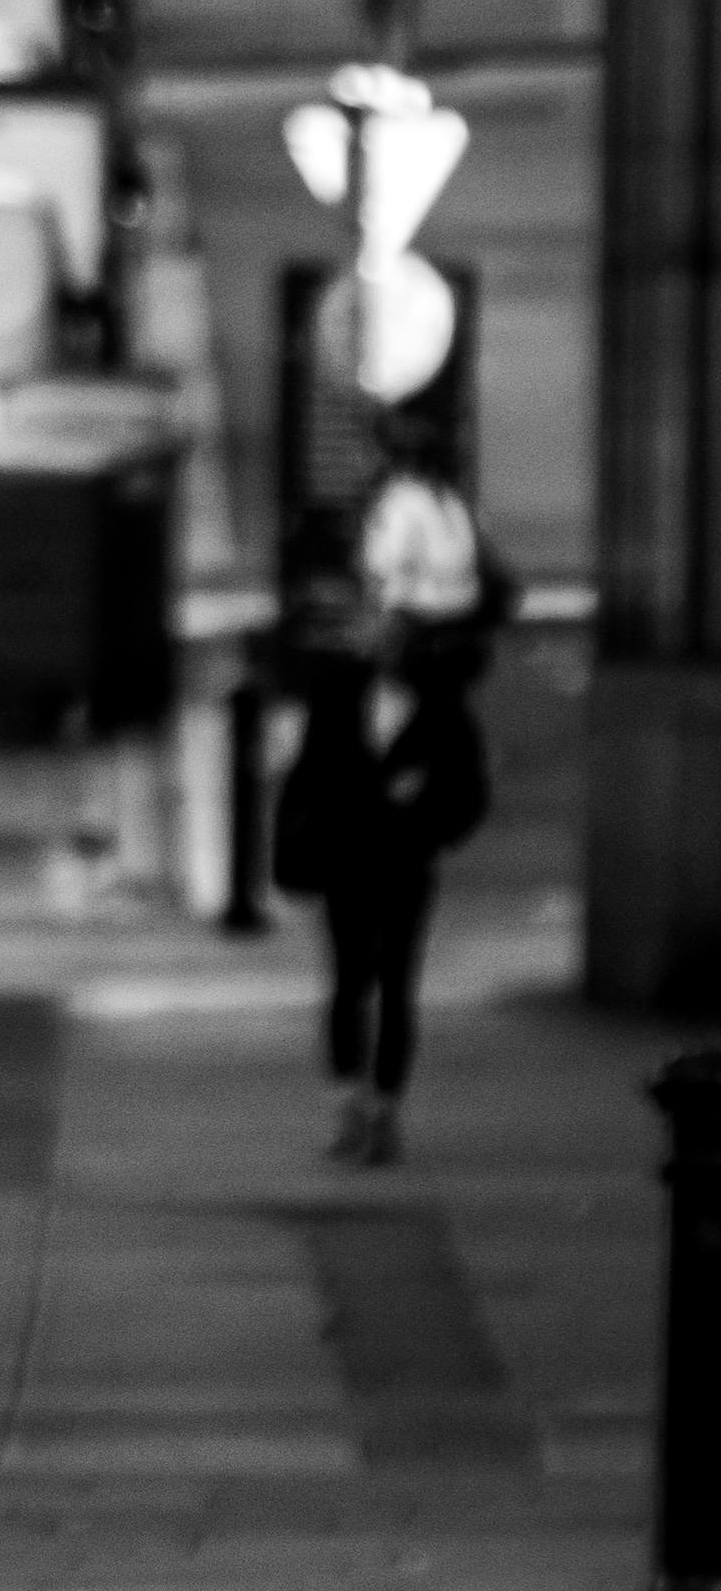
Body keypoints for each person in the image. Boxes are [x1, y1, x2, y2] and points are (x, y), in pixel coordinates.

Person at [269, 455, 504, 1166]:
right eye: (384, 637)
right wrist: (290, 853)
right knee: (347, 985)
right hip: (345, 860)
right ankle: (347, 1103)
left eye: (402, 639)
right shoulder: (338, 697)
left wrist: (427, 820)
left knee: (396, 988)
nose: (390, 648)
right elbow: (303, 780)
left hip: (403, 865)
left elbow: (469, 795)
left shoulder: (443, 712)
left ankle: (384, 1111)